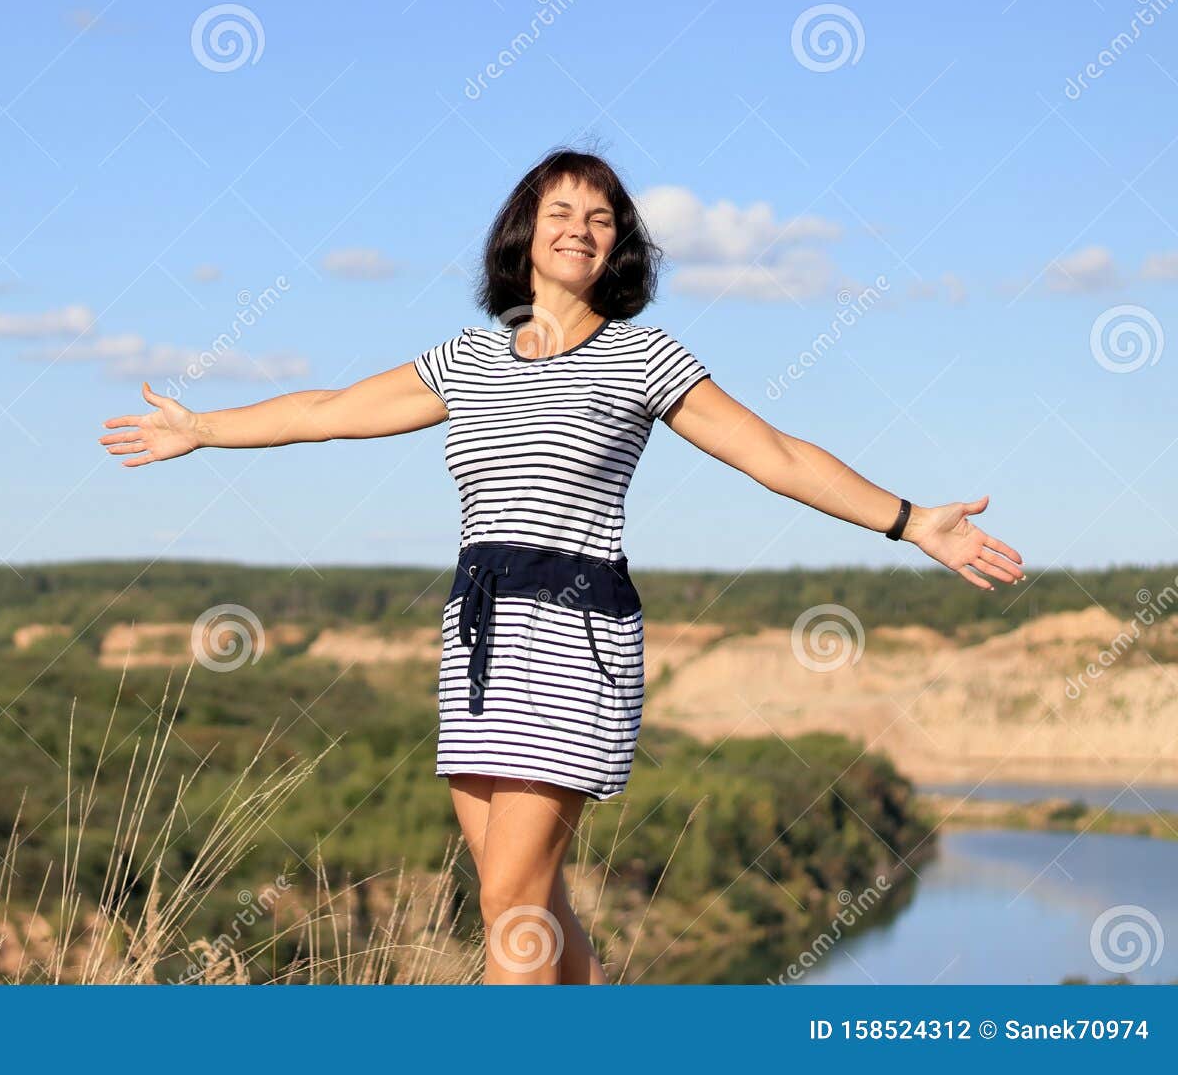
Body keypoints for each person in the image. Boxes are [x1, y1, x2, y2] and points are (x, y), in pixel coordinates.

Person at [98, 148, 1024, 985]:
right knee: (530, 901)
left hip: (578, 633)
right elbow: (327, 408)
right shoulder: (467, 360)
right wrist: (201, 429)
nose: (580, 229)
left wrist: (909, 521)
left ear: (619, 245)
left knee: (508, 902)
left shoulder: (643, 356)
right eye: (561, 213)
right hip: (478, 634)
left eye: (601, 217)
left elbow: (772, 453)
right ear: (524, 234)